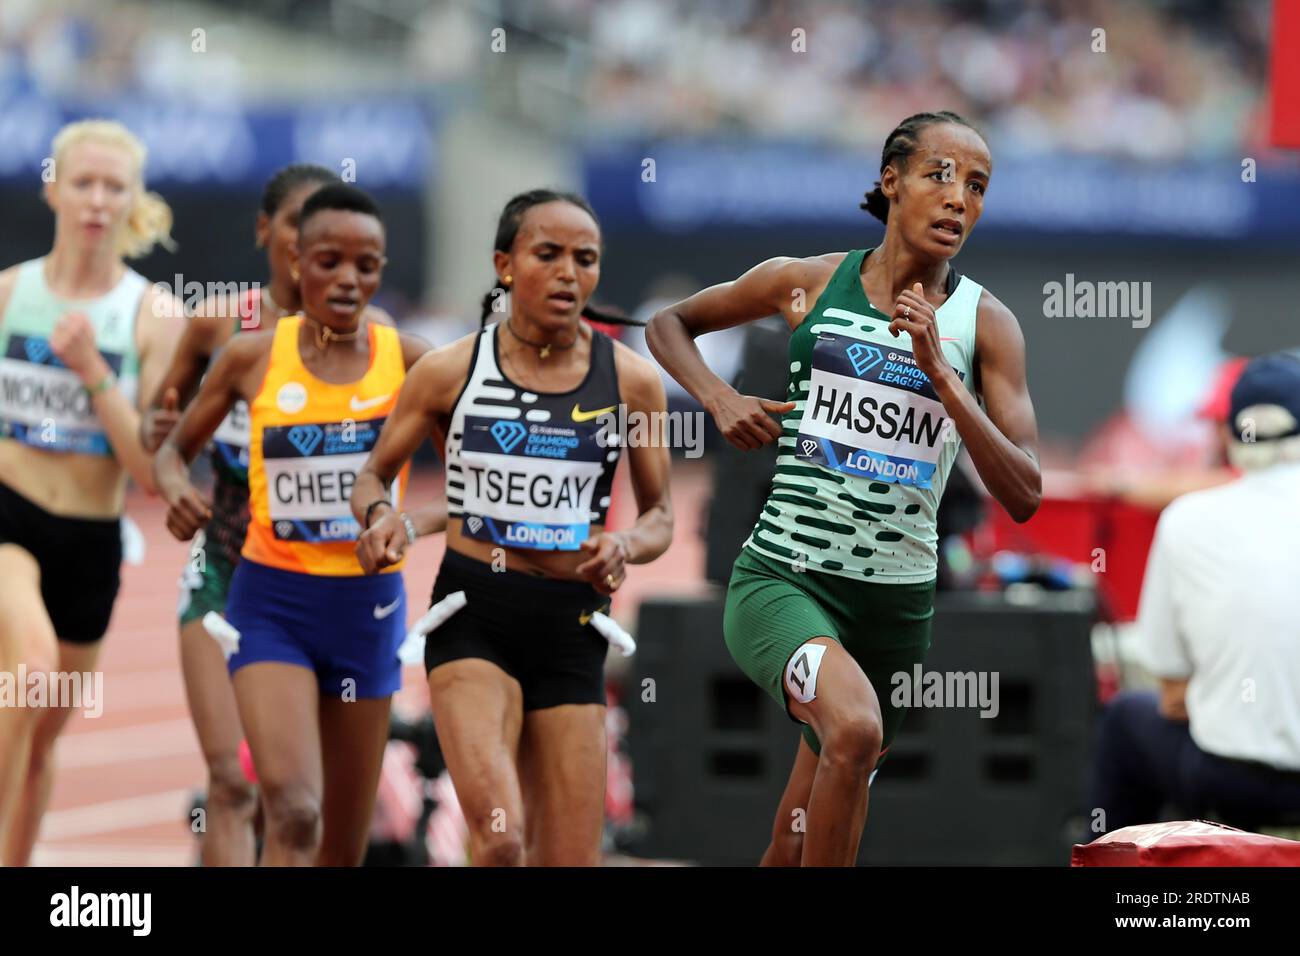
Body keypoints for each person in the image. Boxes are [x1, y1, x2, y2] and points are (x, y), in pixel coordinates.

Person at [647, 111, 1042, 866]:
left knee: (793, 839)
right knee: (856, 731)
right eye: (940, 175)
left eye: (979, 186)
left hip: (894, 608)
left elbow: (1024, 491)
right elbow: (670, 326)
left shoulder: (986, 326)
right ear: (891, 182)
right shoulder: (805, 284)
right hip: (783, 579)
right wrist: (721, 400)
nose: (960, 198)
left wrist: (943, 379)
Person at [350, 189, 674, 866]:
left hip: (574, 631)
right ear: (505, 264)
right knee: (499, 840)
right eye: (547, 254)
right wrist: (382, 518)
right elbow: (373, 476)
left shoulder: (633, 383)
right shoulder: (449, 372)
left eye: (584, 259)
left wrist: (624, 544)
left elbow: (660, 517)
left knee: (570, 859)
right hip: (474, 616)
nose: (568, 273)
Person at [153, 183, 432, 866]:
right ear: (295, 259)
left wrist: (408, 522)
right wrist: (173, 490)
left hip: (368, 610)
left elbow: (471, 489)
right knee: (294, 811)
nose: (347, 279)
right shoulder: (250, 355)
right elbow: (171, 450)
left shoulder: (416, 361)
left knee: (342, 845)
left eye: (366, 266)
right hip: (269, 601)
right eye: (329, 261)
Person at [0, 119, 185, 865]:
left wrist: (94, 372)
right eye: (84, 183)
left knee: (41, 740)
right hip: (8, 513)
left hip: (92, 536)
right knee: (31, 672)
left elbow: (149, 471)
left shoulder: (153, 315)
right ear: (54, 188)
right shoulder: (10, 291)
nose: (98, 201)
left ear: (133, 199)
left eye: (116, 187)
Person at [1089, 353, 1300, 834]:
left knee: (1125, 719)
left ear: (1229, 436)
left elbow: (1172, 698)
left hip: (1231, 782)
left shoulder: (1187, 517)